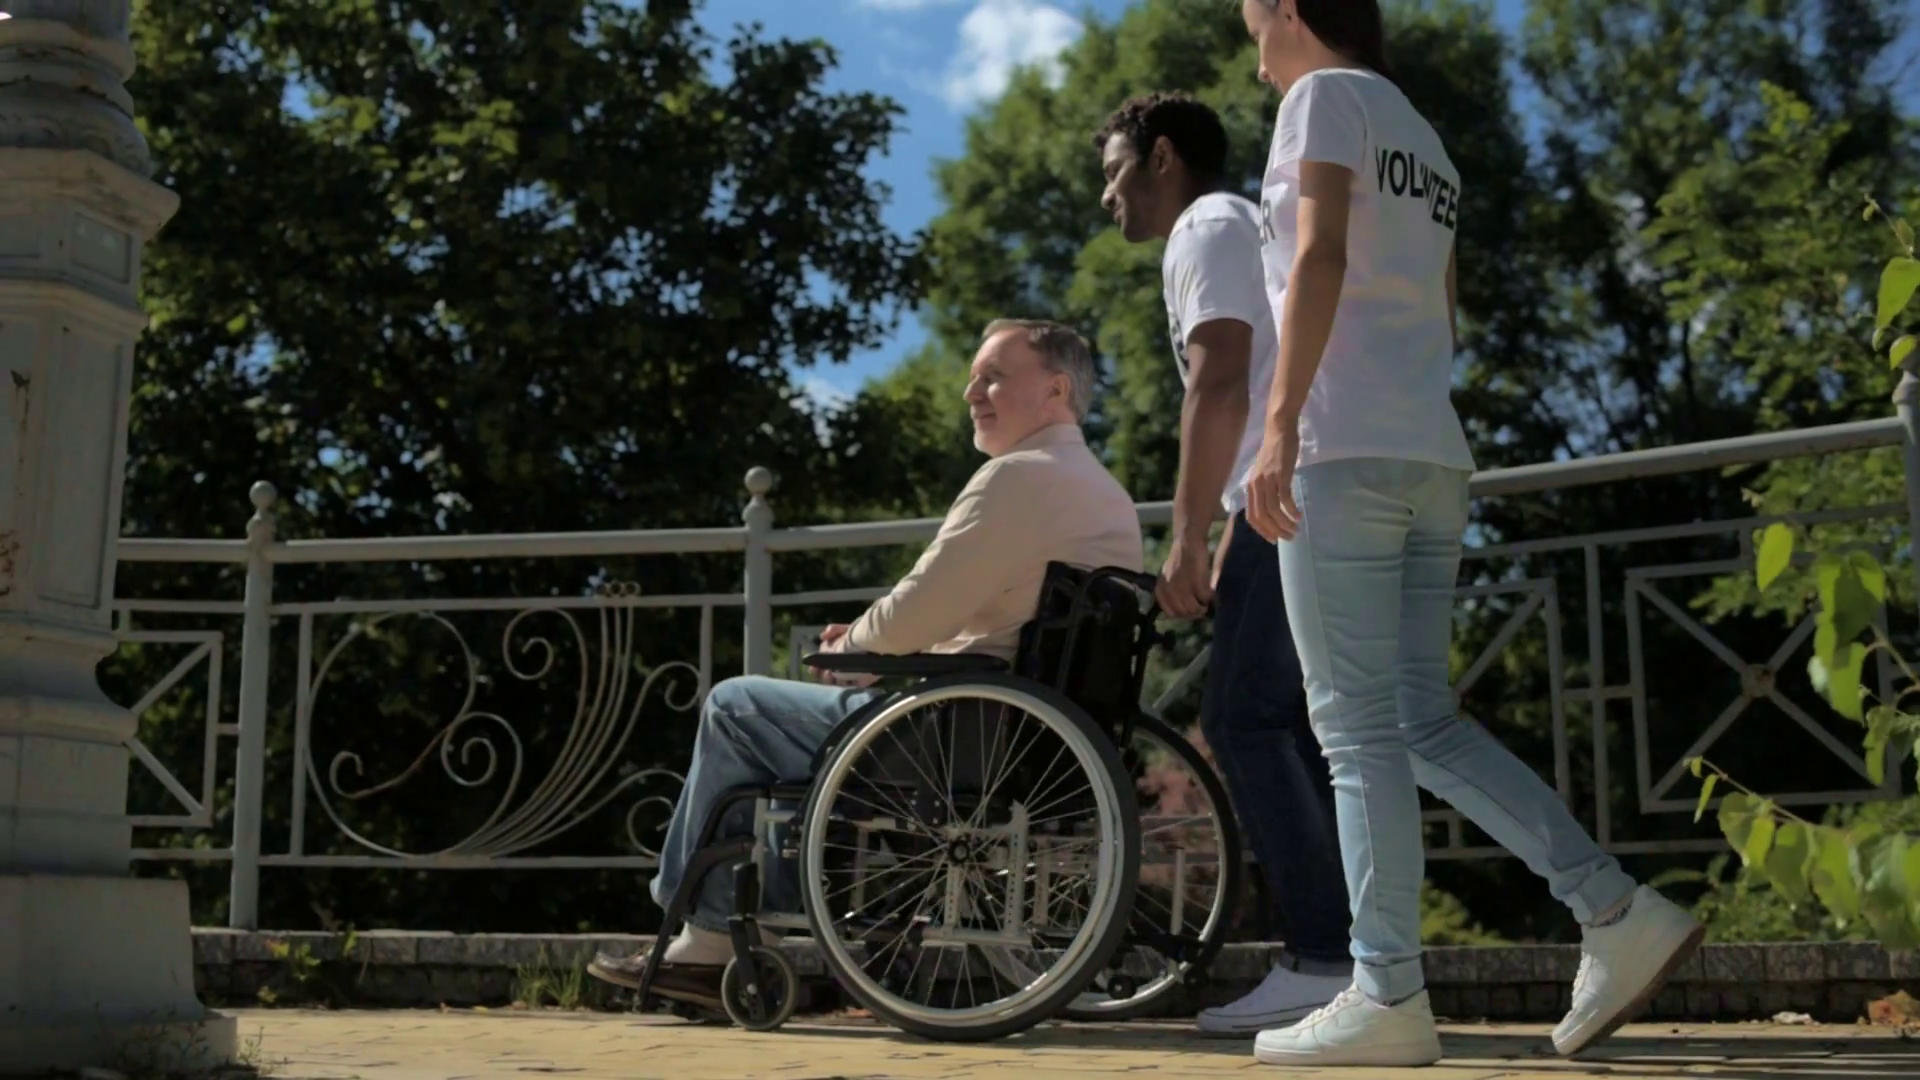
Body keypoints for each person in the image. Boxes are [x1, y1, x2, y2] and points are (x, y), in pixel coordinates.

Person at [1231, 0, 1705, 1067]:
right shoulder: (1422, 134)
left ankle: (1388, 992)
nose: (1253, 50)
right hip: (1431, 453)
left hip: (1341, 452)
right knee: (1417, 722)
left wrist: (1276, 432)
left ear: (1296, 12)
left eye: (1255, 18)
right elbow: (1444, 309)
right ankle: (1613, 909)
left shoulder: (1318, 99)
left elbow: (1316, 261)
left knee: (1353, 732)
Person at [586, 318, 1145, 1010]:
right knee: (776, 727)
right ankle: (752, 921)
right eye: (975, 376)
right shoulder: (1105, 494)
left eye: (994, 376)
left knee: (736, 706)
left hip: (959, 735)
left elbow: (924, 604)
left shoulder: (1018, 479)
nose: (972, 391)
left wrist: (854, 648)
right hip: (1038, 739)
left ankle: (706, 937)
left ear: (1055, 388)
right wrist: (876, 640)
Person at [1092, 92, 1352, 1034]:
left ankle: (1327, 956)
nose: (1107, 198)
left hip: (1277, 500)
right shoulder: (1234, 224)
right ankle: (1361, 956)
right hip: (1305, 488)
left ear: (1162, 158)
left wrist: (1192, 531)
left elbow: (1222, 373)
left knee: (1242, 720)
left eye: (1115, 173)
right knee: (1300, 725)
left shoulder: (1204, 225)